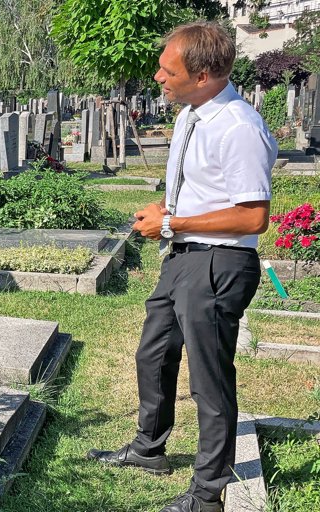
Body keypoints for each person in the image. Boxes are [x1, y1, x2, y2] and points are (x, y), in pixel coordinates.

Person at [87, 22, 276, 512]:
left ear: (205, 73)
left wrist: (173, 222)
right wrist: (166, 217)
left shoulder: (238, 127)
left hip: (218, 262)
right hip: (185, 255)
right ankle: (150, 448)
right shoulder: (195, 114)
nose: (157, 77)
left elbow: (253, 214)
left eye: (168, 71)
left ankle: (209, 492)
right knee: (153, 354)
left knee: (209, 379)